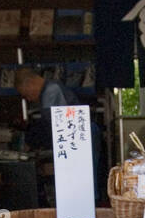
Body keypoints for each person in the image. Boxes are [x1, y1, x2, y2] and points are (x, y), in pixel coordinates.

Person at [14, 66, 105, 203]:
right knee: (84, 182)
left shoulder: (51, 91)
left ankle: (90, 211)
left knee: (86, 182)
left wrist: (31, 141)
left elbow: (51, 125)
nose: (29, 99)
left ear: (30, 83)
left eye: (26, 94)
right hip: (79, 137)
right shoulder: (50, 90)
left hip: (83, 137)